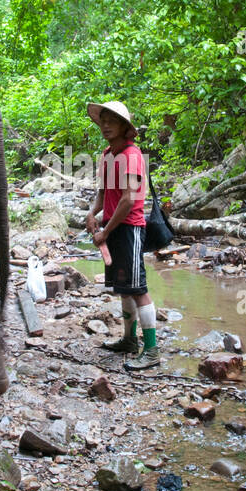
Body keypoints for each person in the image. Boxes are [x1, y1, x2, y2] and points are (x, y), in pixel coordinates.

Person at [84, 100, 160, 370]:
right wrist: (92, 213)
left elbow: (128, 200)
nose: (105, 126)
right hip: (113, 228)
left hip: (129, 228)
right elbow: (103, 194)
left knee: (138, 289)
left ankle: (152, 350)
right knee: (124, 287)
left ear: (124, 126)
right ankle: (129, 339)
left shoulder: (132, 155)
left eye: (111, 121)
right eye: (103, 121)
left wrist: (105, 231)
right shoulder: (107, 154)